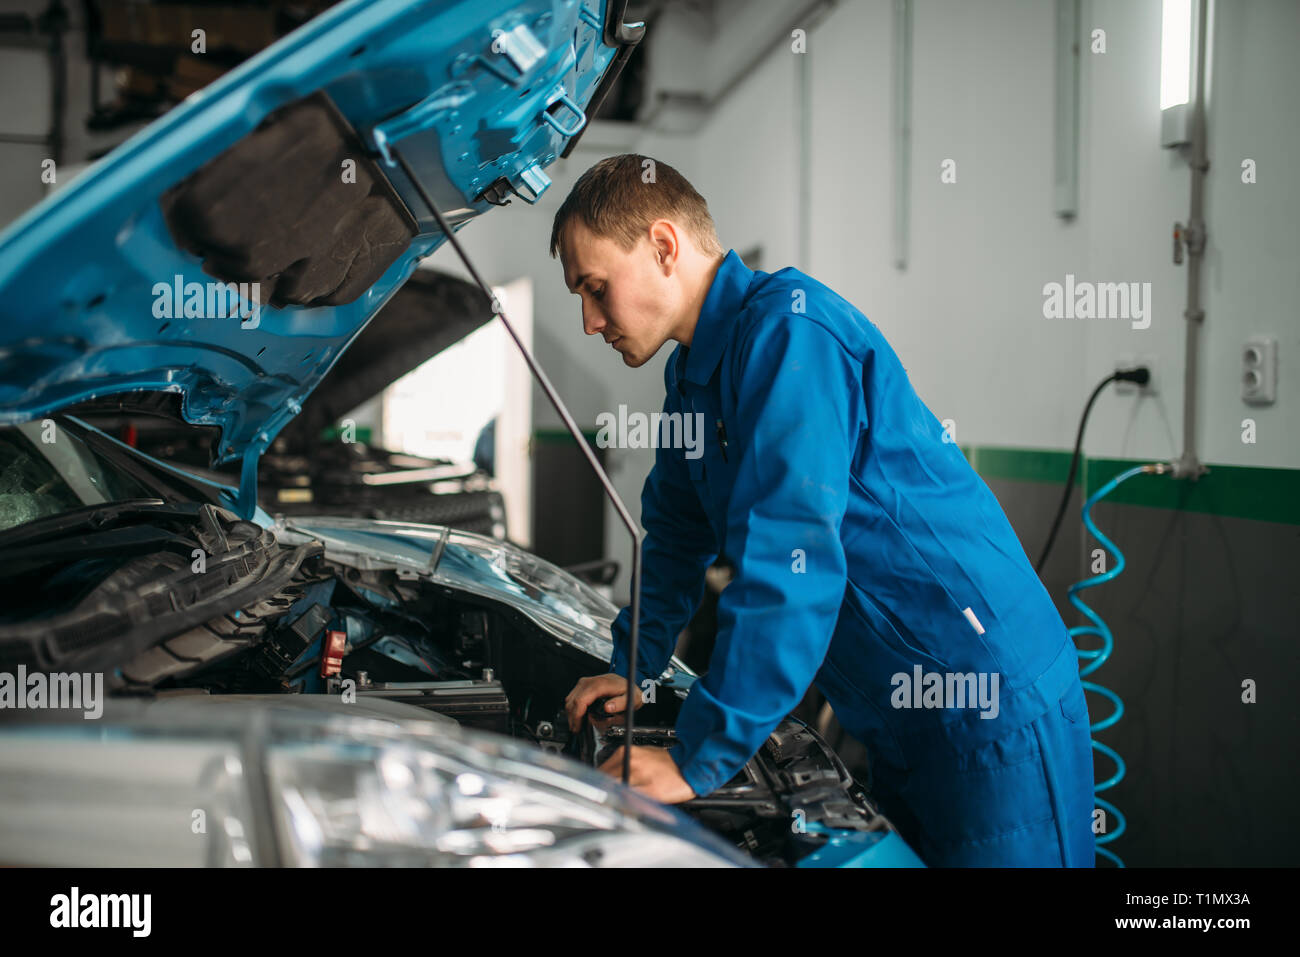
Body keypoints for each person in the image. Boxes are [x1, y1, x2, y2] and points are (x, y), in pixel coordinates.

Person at [552, 154, 1095, 867]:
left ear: (662, 246)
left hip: (988, 704)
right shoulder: (692, 374)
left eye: (596, 289)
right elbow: (676, 533)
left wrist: (697, 758)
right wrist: (637, 660)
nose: (590, 321)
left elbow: (790, 559)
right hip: (897, 714)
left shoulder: (789, 335)